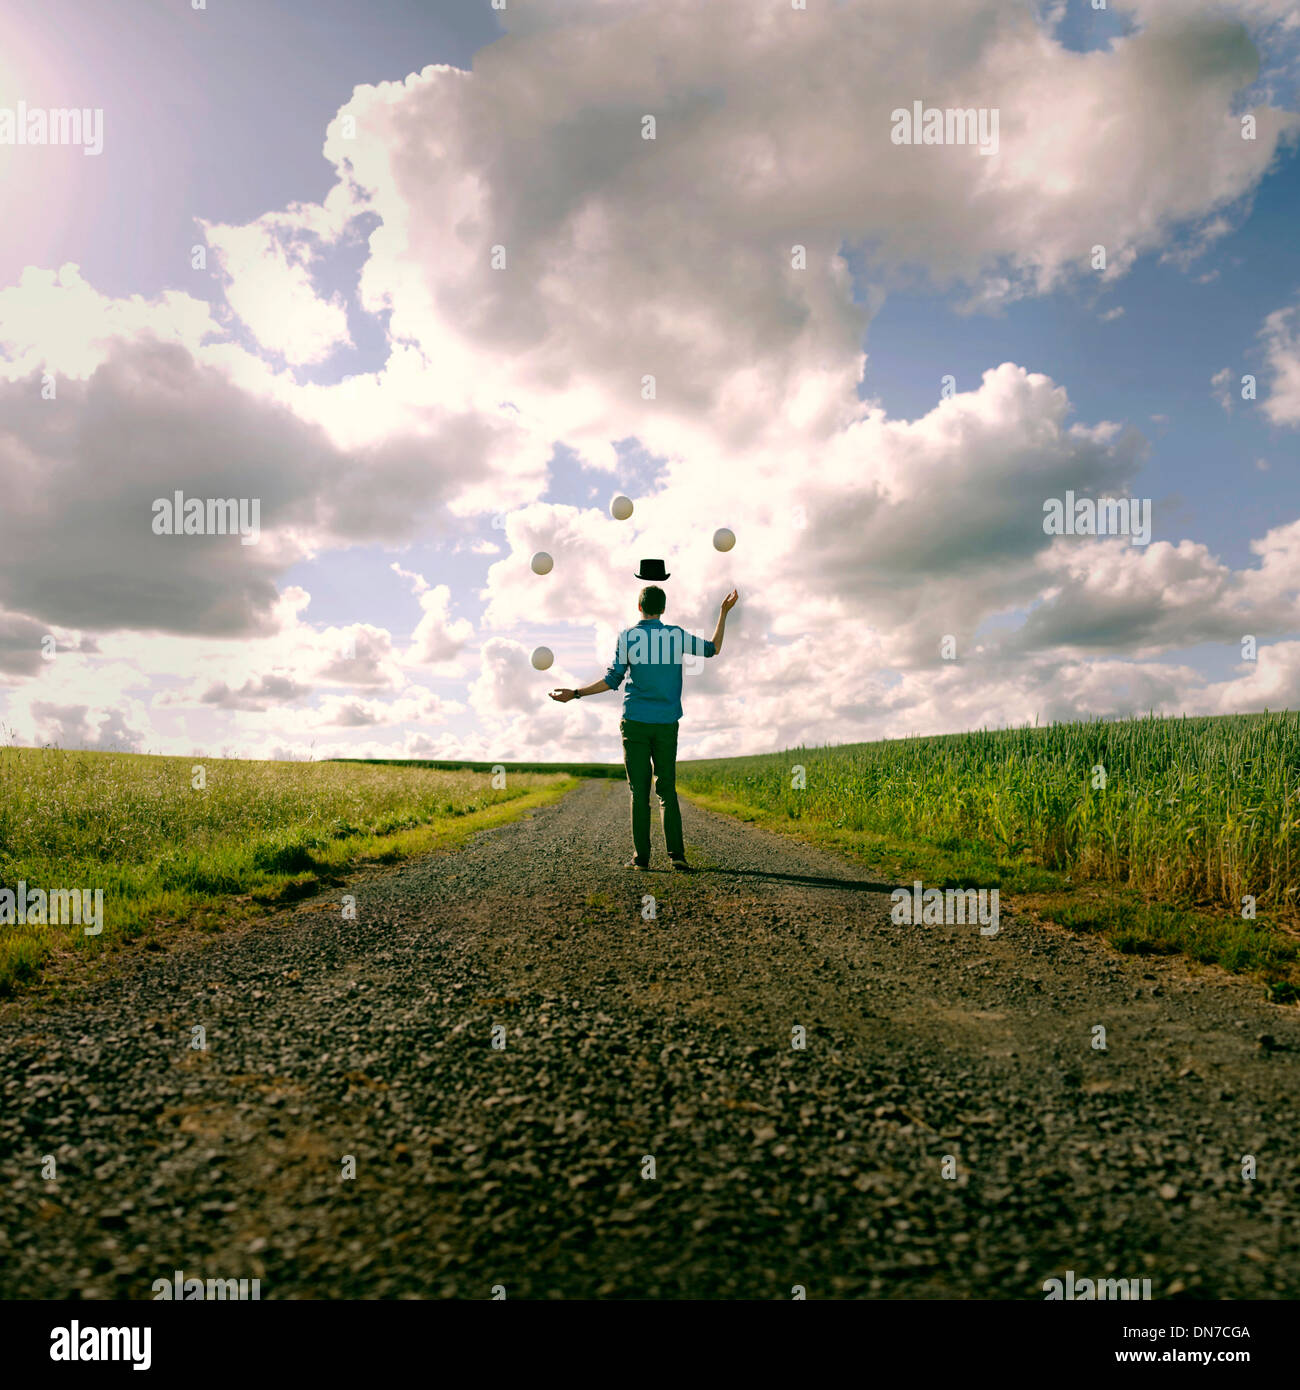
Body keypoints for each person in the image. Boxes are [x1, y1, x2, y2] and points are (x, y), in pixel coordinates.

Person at [550, 567, 739, 871]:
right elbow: (713, 649)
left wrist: (575, 693)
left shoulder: (628, 637)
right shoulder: (676, 636)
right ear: (663, 609)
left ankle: (642, 859)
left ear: (640, 607)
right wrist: (723, 612)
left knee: (639, 792)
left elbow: (613, 680)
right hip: (666, 723)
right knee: (667, 789)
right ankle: (676, 856)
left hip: (635, 722)